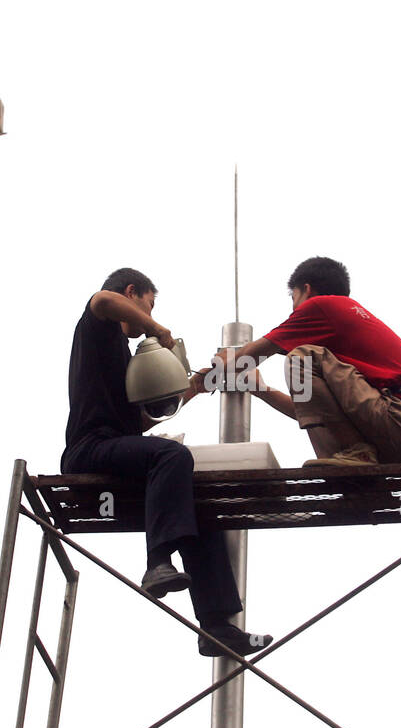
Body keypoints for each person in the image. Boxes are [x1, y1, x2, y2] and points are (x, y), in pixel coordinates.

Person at [59, 268, 272, 658]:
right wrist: (159, 329)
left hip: (117, 452)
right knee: (172, 455)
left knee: (199, 505)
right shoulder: (97, 326)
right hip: (88, 452)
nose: (148, 314)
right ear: (132, 293)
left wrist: (195, 386)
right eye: (148, 303)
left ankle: (216, 625)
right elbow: (103, 300)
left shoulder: (122, 361)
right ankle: (157, 561)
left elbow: (138, 424)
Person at [203, 256, 401, 466]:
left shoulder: (322, 306)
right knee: (305, 365)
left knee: (301, 357)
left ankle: (358, 455)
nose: (294, 308)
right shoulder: (345, 332)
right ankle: (359, 476)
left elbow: (246, 358)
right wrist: (262, 390)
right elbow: (314, 413)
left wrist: (223, 362)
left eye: (294, 298)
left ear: (306, 289)